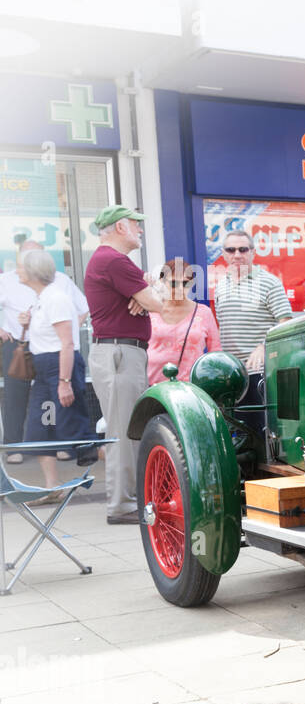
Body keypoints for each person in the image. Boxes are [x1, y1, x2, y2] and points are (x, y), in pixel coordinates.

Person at [85, 205, 164, 525]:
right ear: (120, 228)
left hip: (119, 353)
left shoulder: (112, 262)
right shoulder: (114, 261)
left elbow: (149, 297)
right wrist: (148, 290)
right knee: (122, 431)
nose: (140, 230)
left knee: (124, 428)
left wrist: (145, 288)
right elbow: (159, 304)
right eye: (136, 225)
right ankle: (121, 505)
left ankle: (126, 500)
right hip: (119, 354)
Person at [14, 249, 97, 501]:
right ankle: (53, 487)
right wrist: (26, 324)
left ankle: (123, 475)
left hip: (59, 369)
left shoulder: (56, 298)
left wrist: (64, 382)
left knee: (76, 430)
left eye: (20, 266)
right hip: (44, 370)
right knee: (43, 427)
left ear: (32, 271)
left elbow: (67, 343)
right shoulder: (40, 298)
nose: (16, 271)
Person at [1, 244, 89, 461]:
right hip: (19, 345)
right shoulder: (9, 280)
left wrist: (69, 331)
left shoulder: (57, 285)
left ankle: (63, 445)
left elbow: (83, 308)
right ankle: (15, 447)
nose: (22, 266)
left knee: (56, 401)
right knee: (16, 396)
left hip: (54, 351)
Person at [212, 229, 292, 372]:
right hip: (231, 372)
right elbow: (223, 328)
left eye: (243, 250)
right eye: (231, 250)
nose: (237, 255)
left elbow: (286, 323)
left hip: (262, 369)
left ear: (253, 252)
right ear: (223, 254)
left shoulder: (270, 282)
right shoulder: (221, 285)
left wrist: (264, 347)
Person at [147, 259, 221, 384]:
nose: (180, 288)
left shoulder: (203, 313)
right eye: (174, 283)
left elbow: (215, 352)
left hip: (192, 388)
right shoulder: (150, 310)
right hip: (153, 387)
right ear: (162, 282)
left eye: (185, 283)